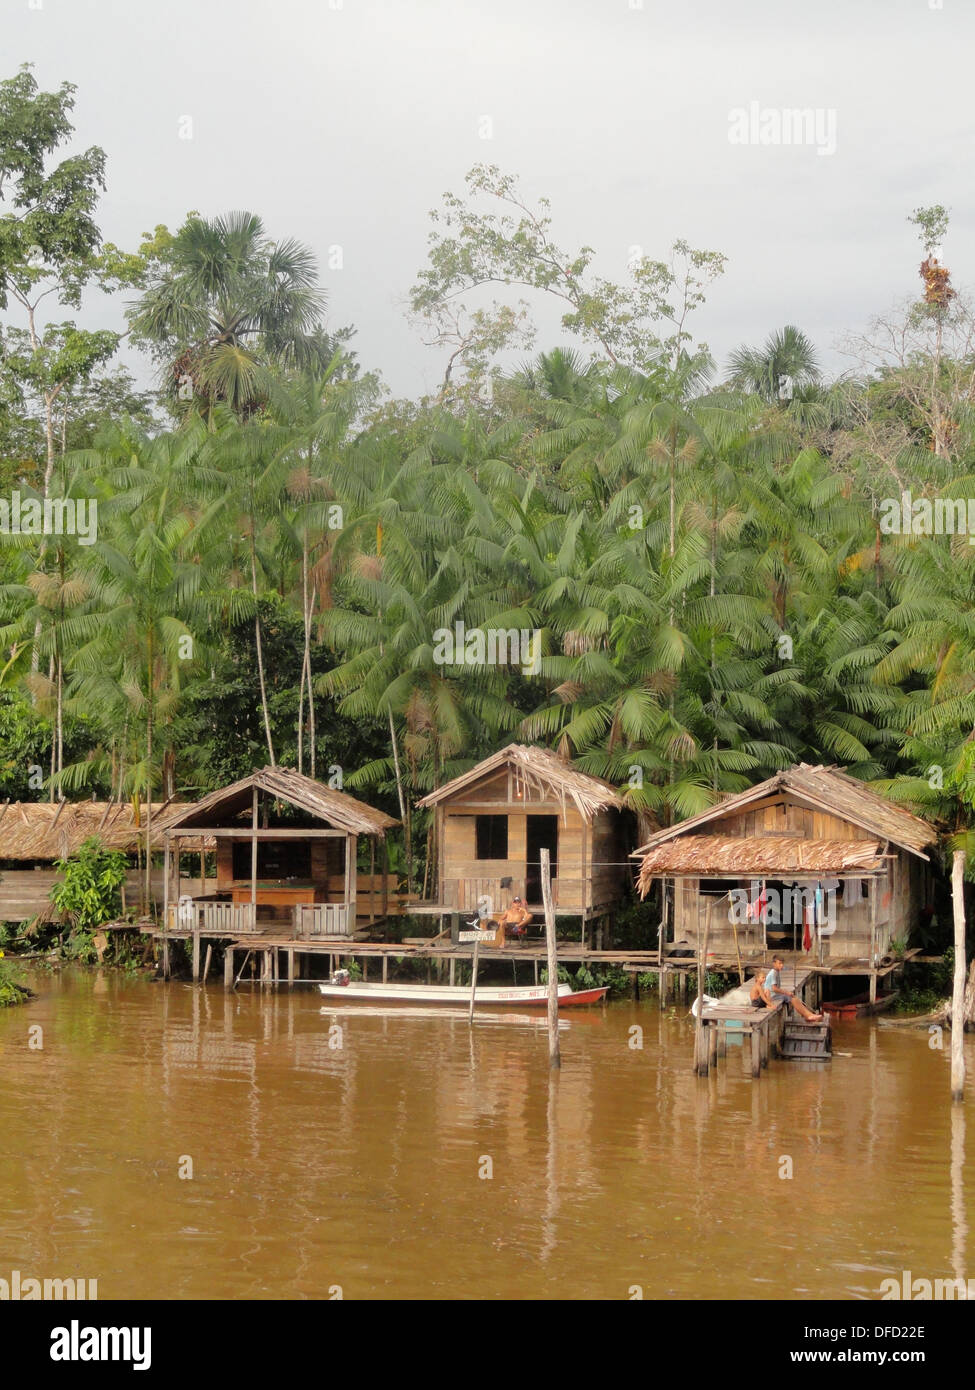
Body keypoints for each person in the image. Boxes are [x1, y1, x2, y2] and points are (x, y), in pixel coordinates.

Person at [764, 954, 823, 1021]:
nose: (781, 965)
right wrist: (786, 992)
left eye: (782, 963)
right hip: (771, 996)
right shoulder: (773, 973)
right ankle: (808, 1016)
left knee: (794, 997)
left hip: (774, 994)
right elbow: (774, 988)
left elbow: (786, 968)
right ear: (774, 964)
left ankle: (809, 1014)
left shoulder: (776, 971)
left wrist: (793, 968)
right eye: (779, 964)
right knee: (791, 998)